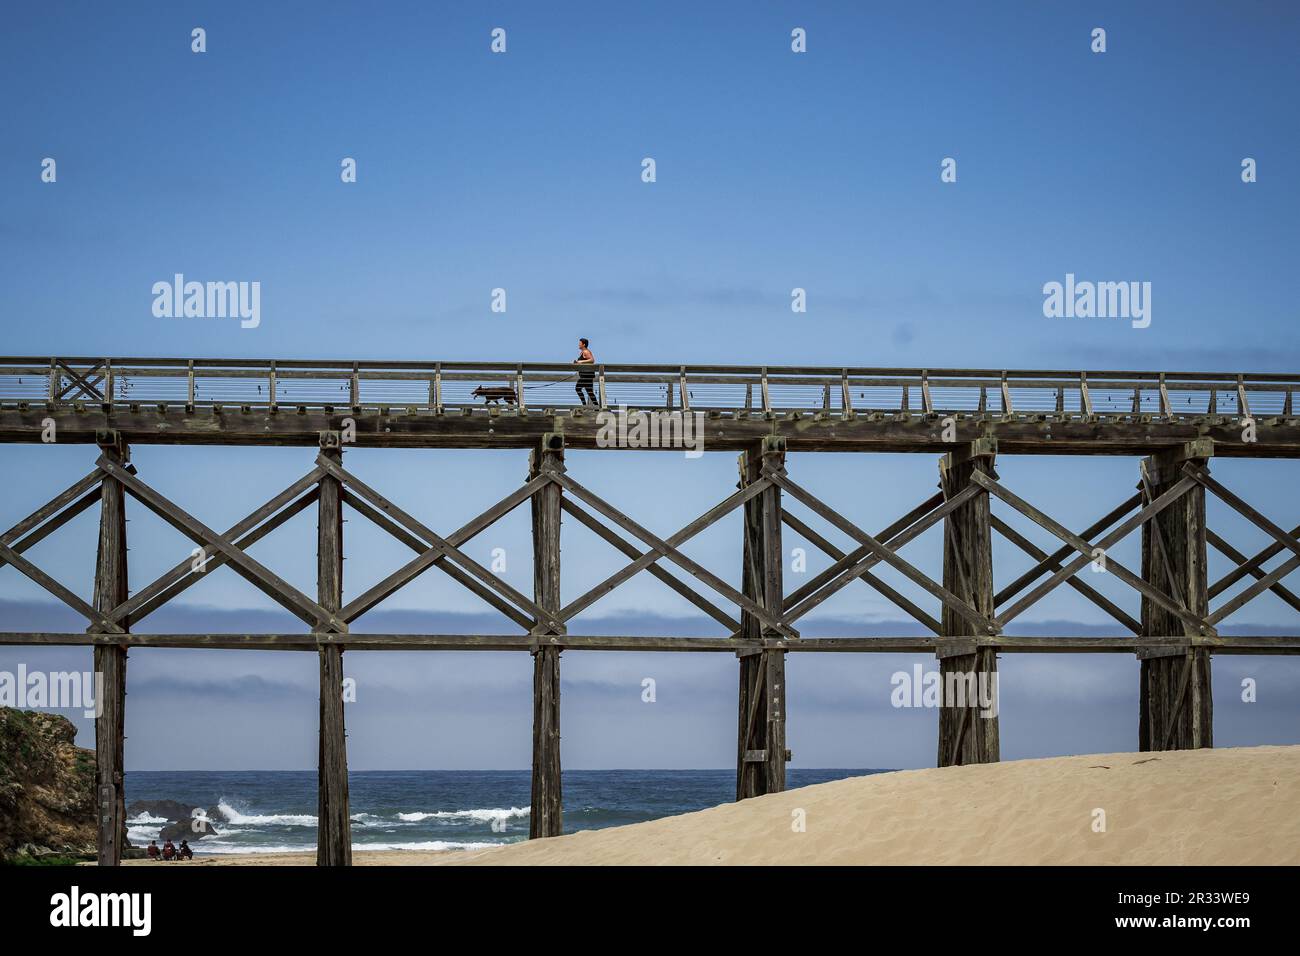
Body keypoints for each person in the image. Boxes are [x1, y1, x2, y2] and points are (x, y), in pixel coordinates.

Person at [573, 338, 597, 405]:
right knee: (590, 392)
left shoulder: (586, 351)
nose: (578, 344)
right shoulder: (582, 352)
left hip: (586, 375)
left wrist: (580, 361)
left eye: (580, 343)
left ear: (583, 344)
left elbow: (592, 360)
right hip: (586, 375)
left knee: (578, 388)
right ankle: (597, 408)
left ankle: (584, 405)